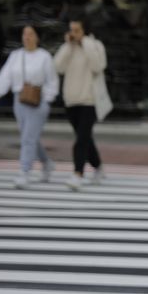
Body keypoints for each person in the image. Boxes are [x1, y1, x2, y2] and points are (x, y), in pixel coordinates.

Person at [0, 25, 59, 189]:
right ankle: (47, 163)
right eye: (24, 34)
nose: (27, 37)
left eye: (30, 34)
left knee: (28, 139)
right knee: (30, 137)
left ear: (37, 37)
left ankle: (24, 172)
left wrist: (47, 99)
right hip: (19, 101)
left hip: (38, 101)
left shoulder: (44, 57)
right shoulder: (15, 56)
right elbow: (5, 76)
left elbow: (52, 80)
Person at [54, 17, 108, 190]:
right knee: (84, 138)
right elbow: (57, 67)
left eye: (77, 30)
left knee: (81, 139)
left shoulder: (95, 45)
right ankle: (98, 167)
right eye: (72, 30)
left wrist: (85, 42)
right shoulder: (68, 48)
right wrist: (68, 46)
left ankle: (78, 173)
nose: (74, 33)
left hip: (89, 100)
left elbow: (98, 67)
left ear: (85, 30)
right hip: (71, 99)